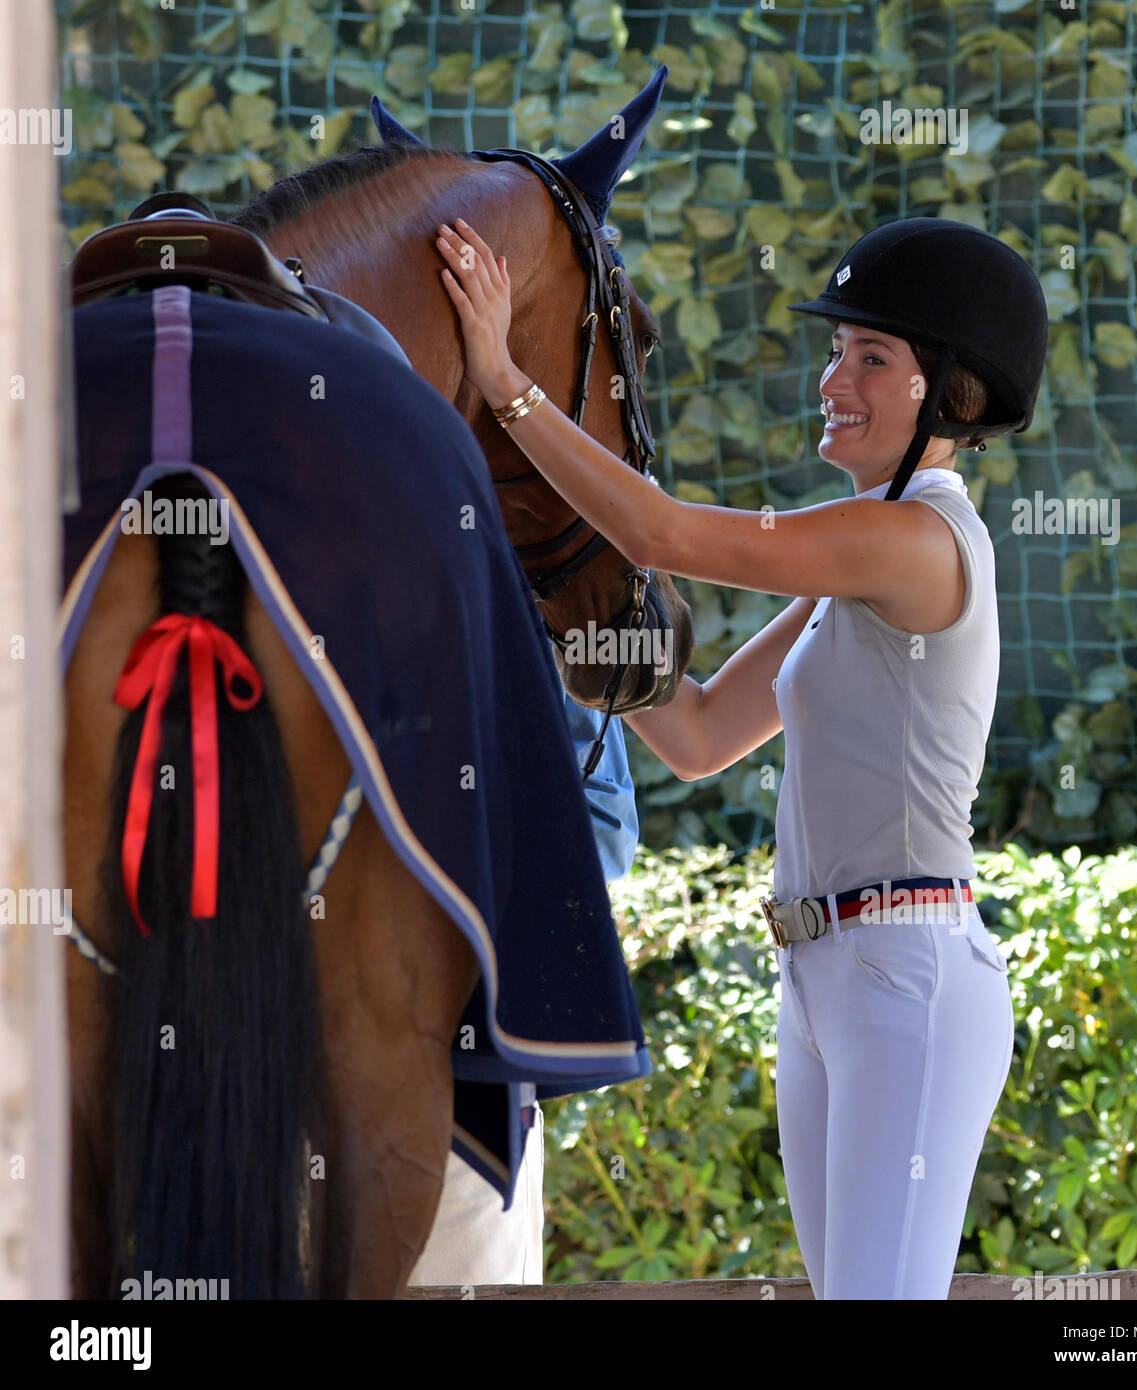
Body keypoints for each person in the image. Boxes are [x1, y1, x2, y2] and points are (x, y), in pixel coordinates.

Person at [434, 211, 1049, 1299]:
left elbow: (669, 535)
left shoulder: (916, 537)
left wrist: (504, 379)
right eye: (835, 351)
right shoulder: (855, 562)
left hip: (906, 978)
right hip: (818, 977)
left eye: (872, 358)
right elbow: (701, 731)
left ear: (944, 392)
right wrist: (549, 587)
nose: (834, 379)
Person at [407, 680, 638, 1286]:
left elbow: (600, 835)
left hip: (457, 1057)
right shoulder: (527, 602)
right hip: (458, 1053)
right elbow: (601, 835)